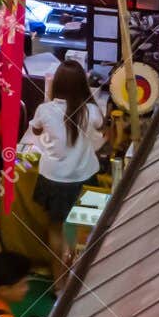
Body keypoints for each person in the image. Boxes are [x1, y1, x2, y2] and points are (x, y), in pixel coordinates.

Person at [19, 58, 104, 286]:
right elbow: (100, 125)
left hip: (53, 179)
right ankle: (79, 282)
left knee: (56, 228)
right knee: (84, 231)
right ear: (82, 86)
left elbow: (36, 129)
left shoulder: (45, 110)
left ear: (55, 84)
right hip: (87, 177)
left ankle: (59, 284)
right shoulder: (91, 110)